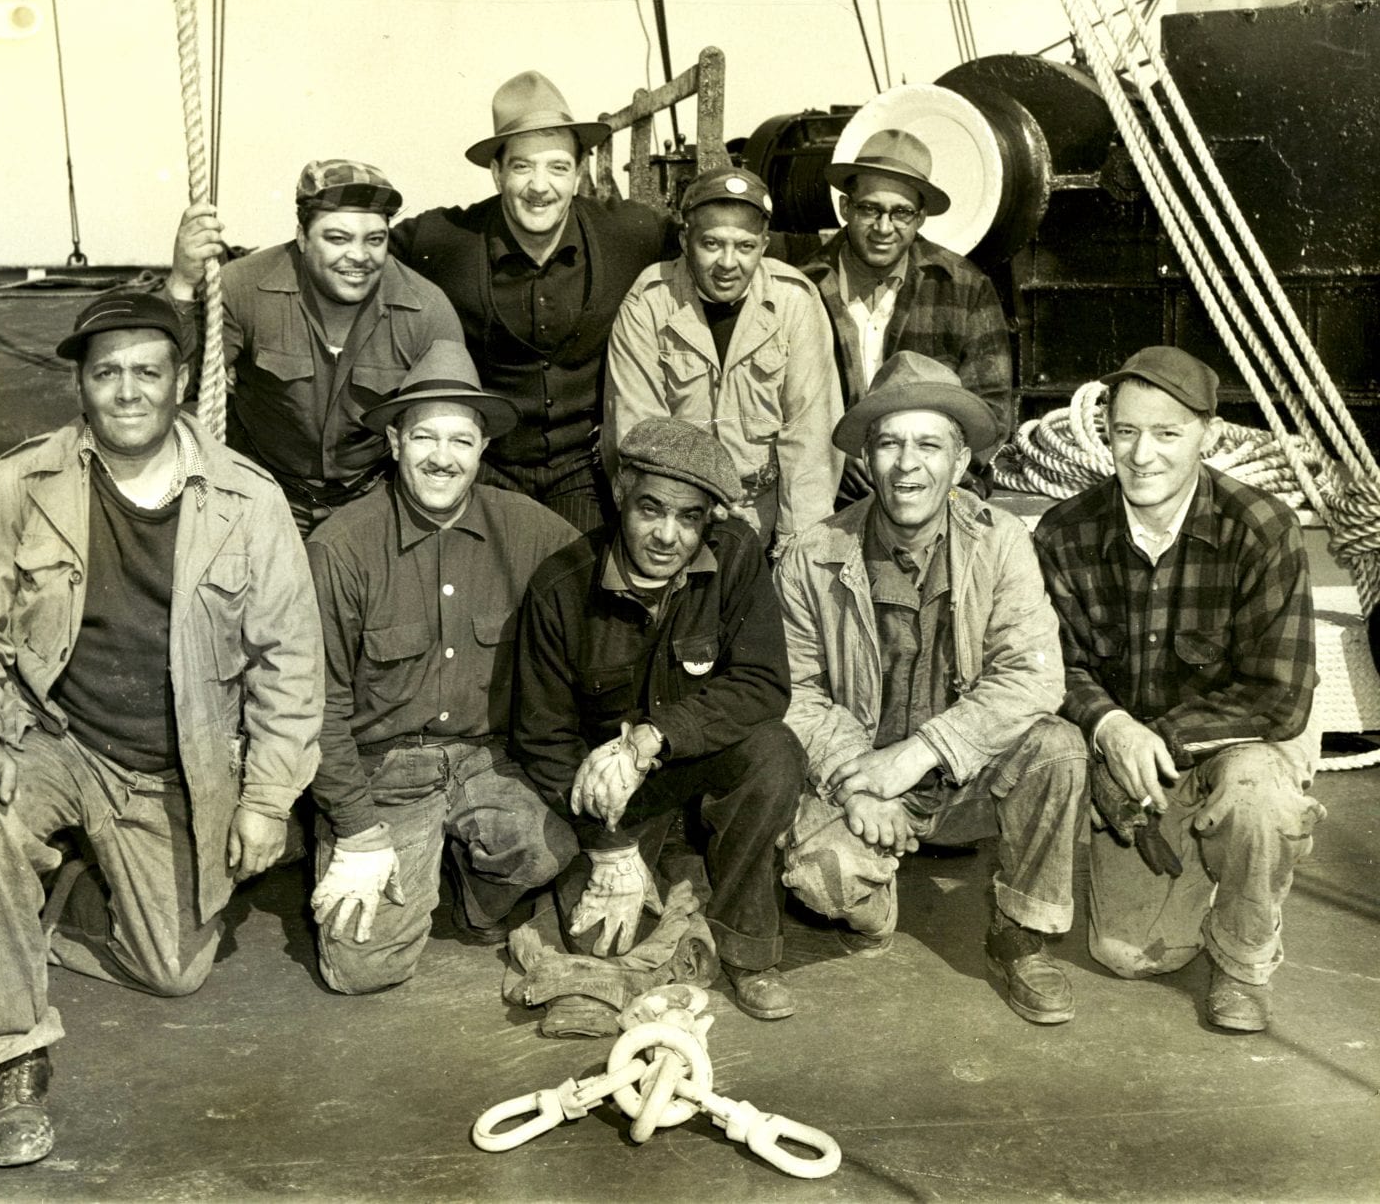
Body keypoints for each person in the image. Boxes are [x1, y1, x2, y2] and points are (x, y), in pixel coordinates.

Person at [0, 293, 322, 1166]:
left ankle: (53, 900)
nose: (128, 391)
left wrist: (265, 799)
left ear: (181, 380)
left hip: (176, 766)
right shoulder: (19, 483)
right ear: (81, 385)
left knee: (175, 970)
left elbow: (289, 662)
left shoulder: (249, 500)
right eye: (107, 373)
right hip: (52, 736)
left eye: (147, 371)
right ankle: (13, 1054)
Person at [774, 351, 1087, 1024]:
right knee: (823, 874)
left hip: (967, 780)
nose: (907, 465)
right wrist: (856, 781)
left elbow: (1034, 675)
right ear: (867, 457)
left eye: (928, 445)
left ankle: (1020, 934)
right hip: (865, 782)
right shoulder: (811, 555)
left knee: (1057, 749)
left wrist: (918, 753)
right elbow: (794, 691)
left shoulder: (1001, 541)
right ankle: (873, 899)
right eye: (889, 444)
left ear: (961, 460)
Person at [1032, 346, 1322, 1032]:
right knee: (1128, 954)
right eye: (1126, 431)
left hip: (1241, 746)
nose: (1142, 454)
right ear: (1106, 433)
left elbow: (1280, 697)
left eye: (1167, 433)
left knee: (1259, 798)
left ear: (1207, 436)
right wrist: (1110, 728)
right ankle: (1196, 855)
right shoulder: (1064, 532)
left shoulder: (1263, 528)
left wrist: (1155, 738)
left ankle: (1244, 961)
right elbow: (1052, 664)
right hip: (1134, 762)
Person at [303, 341, 580, 995]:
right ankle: (389, 854)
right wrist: (356, 828)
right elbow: (317, 708)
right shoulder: (341, 547)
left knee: (552, 846)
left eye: (461, 440)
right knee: (362, 971)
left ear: (483, 449)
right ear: (394, 442)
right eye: (424, 436)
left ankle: (474, 889)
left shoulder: (533, 530)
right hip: (383, 772)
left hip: (489, 759)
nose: (442, 456)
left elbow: (610, 594)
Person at [512, 416, 806, 1020]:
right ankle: (677, 881)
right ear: (621, 493)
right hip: (615, 802)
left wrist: (656, 736)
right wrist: (609, 847)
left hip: (697, 765)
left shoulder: (736, 556)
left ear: (709, 519)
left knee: (774, 751)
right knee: (600, 942)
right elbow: (542, 737)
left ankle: (746, 946)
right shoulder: (560, 588)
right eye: (651, 509)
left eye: (690, 517)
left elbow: (763, 684)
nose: (668, 535)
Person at [390, 71, 669, 531]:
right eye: (522, 167)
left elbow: (719, 246)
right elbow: (356, 253)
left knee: (584, 571)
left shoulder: (628, 233)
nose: (540, 186)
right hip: (486, 470)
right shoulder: (445, 240)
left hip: (585, 474)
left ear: (579, 173)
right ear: (497, 172)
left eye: (557, 167)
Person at [168, 159, 465, 533]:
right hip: (261, 491)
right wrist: (182, 283)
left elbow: (453, 428)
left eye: (375, 240)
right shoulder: (242, 287)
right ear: (302, 237)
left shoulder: (426, 310)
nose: (359, 256)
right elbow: (177, 383)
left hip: (372, 498)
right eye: (338, 238)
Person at [602, 166, 843, 556]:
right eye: (711, 244)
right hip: (675, 510)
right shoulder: (649, 302)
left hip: (766, 515)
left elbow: (810, 441)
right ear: (685, 240)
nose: (728, 262)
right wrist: (701, 508)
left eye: (745, 246)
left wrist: (796, 550)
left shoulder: (795, 302)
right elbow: (638, 432)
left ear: (764, 245)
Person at [802, 129, 1012, 497]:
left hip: (933, 489)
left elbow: (991, 413)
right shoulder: (803, 288)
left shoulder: (964, 287)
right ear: (846, 208)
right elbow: (778, 405)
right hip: (827, 490)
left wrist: (924, 472)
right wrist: (833, 454)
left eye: (900, 212)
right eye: (869, 209)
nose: (883, 228)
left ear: (920, 218)